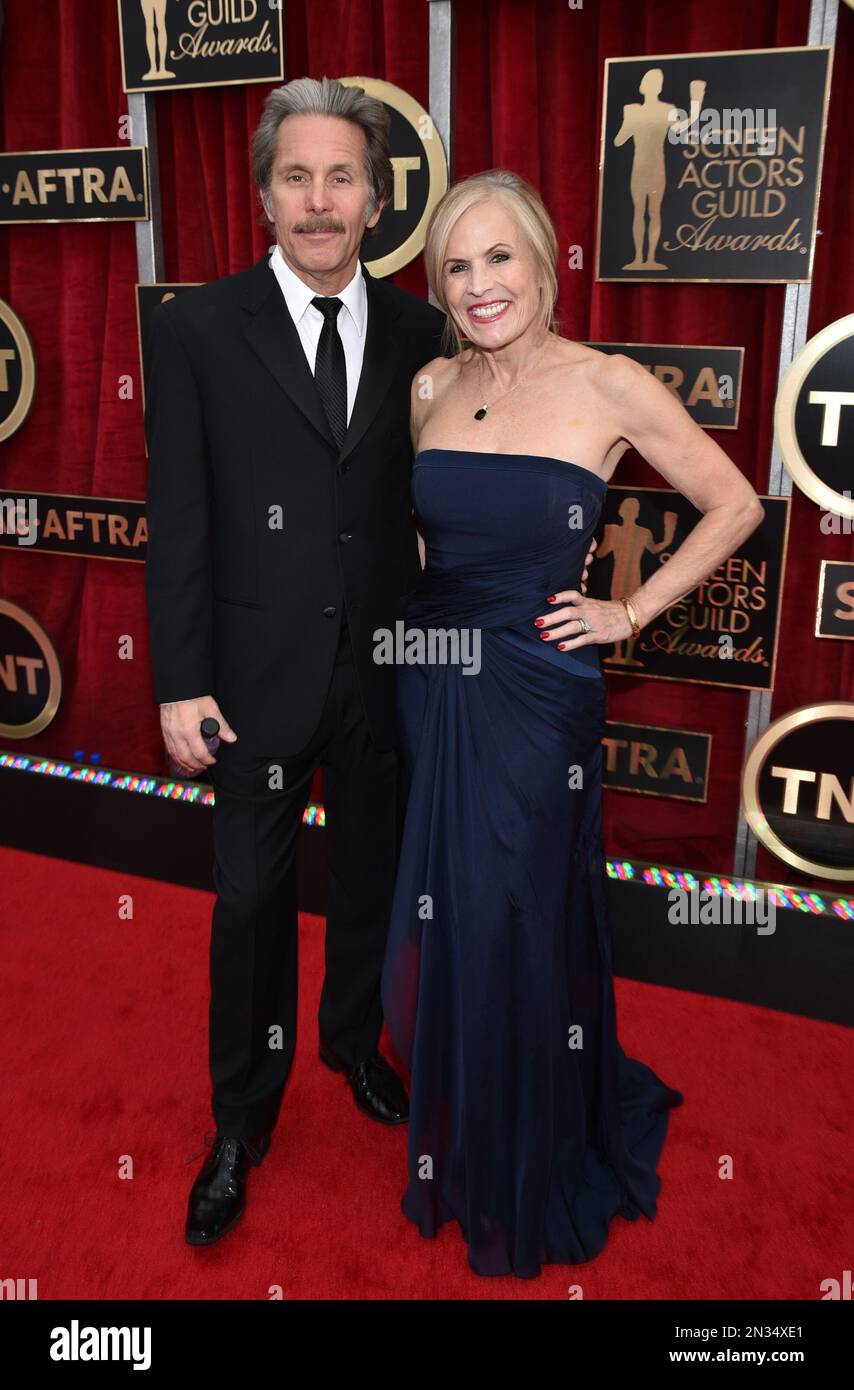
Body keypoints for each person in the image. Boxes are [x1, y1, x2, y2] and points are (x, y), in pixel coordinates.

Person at [380, 168, 765, 1278]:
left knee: (514, 912)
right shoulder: (427, 389)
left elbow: (734, 503)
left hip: (539, 687)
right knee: (442, 915)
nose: (478, 283)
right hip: (435, 673)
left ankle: (525, 1149)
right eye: (456, 264)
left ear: (545, 264)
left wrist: (629, 608)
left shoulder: (607, 385)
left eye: (499, 257)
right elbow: (422, 538)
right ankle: (462, 1127)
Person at [144, 76, 449, 1246]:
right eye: (294, 177)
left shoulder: (426, 331)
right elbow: (178, 516)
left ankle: (351, 1043)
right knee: (252, 905)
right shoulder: (195, 328)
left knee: (373, 881)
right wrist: (179, 677)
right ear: (263, 194)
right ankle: (239, 1120)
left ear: (376, 199)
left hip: (383, 672)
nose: (318, 200)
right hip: (249, 683)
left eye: (340, 177)